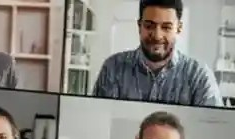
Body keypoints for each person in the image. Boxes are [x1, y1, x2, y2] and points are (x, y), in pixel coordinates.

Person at [91, 0, 221, 107]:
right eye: (149, 26)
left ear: (179, 28)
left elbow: (212, 129)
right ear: (139, 26)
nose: (157, 36)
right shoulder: (113, 69)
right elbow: (99, 122)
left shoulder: (199, 76)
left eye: (166, 27)